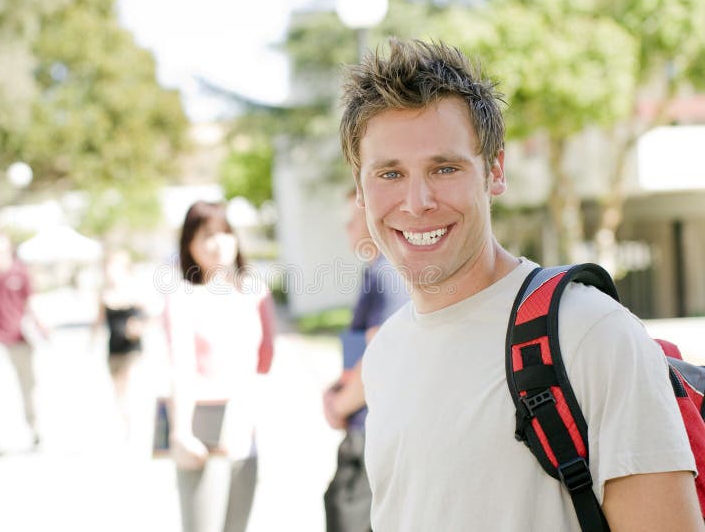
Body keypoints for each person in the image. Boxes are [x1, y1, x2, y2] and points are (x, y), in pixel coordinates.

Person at [339, 38, 702, 531]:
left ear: (494, 170)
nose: (417, 200)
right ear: (360, 188)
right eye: (390, 173)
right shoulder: (386, 356)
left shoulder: (590, 331)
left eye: (444, 168)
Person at [165, 201, 275, 532]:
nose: (217, 243)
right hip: (204, 429)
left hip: (245, 428)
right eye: (206, 235)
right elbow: (181, 367)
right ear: (190, 245)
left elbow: (265, 361)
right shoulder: (184, 297)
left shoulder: (253, 293)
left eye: (224, 233)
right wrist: (180, 432)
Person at [322, 192, 408, 532]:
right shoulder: (378, 271)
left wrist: (338, 405)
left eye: (351, 220)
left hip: (369, 435)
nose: (347, 229)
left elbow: (381, 354)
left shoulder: (387, 274)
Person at [0, 231, 48, 451]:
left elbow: (31, 303)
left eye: (2, 250)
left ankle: (35, 429)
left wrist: (41, 327)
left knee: (28, 387)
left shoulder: (21, 273)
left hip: (20, 337)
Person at [91, 249, 147, 438]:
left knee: (131, 387)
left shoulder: (134, 290)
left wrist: (138, 326)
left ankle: (137, 425)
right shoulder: (104, 294)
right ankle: (127, 426)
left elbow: (147, 316)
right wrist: (90, 342)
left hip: (132, 349)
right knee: (119, 392)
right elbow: (98, 320)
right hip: (113, 349)